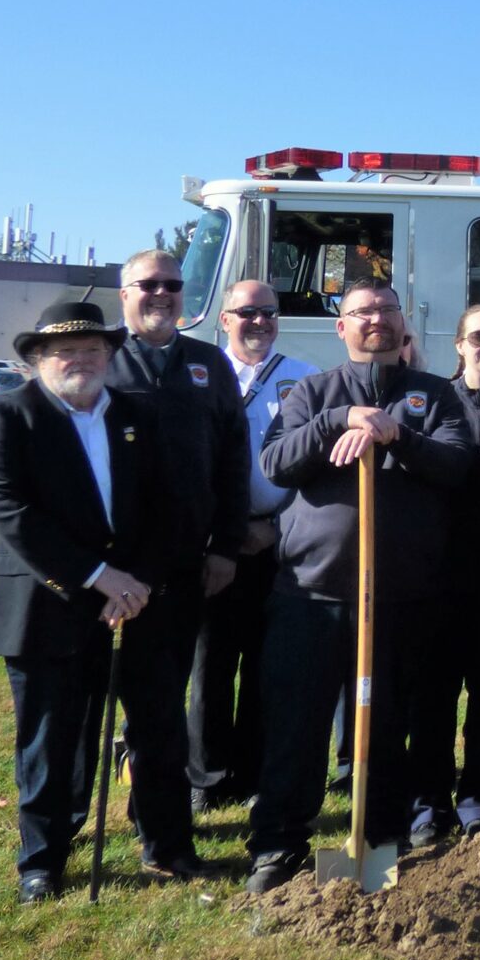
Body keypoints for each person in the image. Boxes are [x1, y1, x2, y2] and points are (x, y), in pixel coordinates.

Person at [244, 279, 473, 893]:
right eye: (362, 312)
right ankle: (279, 842)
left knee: (386, 722)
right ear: (340, 328)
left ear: (403, 324)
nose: (376, 319)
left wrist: (396, 434)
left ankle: (379, 837)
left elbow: (459, 466)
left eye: (387, 310)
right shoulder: (312, 392)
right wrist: (342, 420)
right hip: (313, 593)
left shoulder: (436, 396)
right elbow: (276, 463)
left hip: (402, 597)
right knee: (296, 724)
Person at [0, 302, 192, 902]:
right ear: (39, 360)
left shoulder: (139, 415)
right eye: (65, 351)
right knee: (52, 741)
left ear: (110, 357)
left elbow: (169, 508)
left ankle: (167, 844)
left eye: (93, 350)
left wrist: (136, 580)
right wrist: (99, 576)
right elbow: (12, 514)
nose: (80, 360)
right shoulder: (6, 417)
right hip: (49, 606)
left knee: (159, 728)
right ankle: (43, 860)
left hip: (138, 605)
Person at [105, 249, 249, 831]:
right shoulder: (103, 358)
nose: (161, 293)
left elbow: (233, 458)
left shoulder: (208, 363)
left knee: (164, 697)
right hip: (109, 566)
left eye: (172, 284)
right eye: (148, 284)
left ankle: (159, 821)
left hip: (186, 561)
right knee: (90, 698)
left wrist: (225, 546)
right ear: (125, 293)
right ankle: (58, 826)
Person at [190, 281, 319, 812]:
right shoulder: (198, 375)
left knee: (271, 665)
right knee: (211, 664)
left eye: (269, 313)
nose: (260, 322)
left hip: (279, 539)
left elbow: (314, 466)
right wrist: (221, 532)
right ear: (225, 320)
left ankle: (254, 770)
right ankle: (206, 777)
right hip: (213, 545)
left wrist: (276, 526)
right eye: (248, 313)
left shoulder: (304, 378)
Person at [404, 305, 480, 843]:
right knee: (432, 692)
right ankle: (428, 803)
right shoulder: (434, 397)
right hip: (437, 569)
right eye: (478, 336)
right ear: (458, 343)